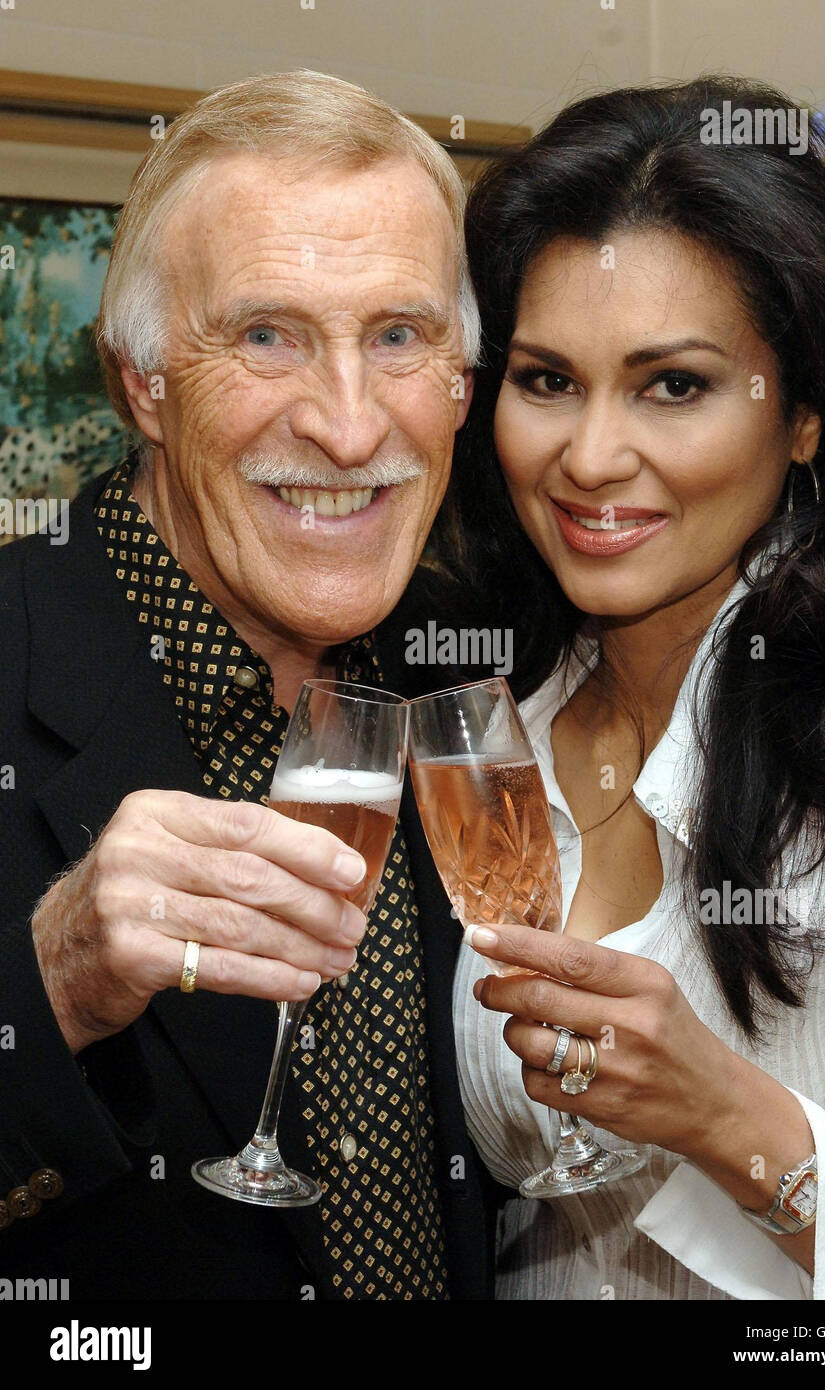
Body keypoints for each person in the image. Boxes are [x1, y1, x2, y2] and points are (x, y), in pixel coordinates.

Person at [0, 68, 496, 1301]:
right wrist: (51, 983)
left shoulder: (486, 675)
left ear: (462, 388)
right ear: (140, 385)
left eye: (399, 337)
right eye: (267, 335)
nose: (346, 424)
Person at [440, 75, 825, 1299]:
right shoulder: (488, 726)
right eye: (546, 378)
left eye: (674, 385)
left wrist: (732, 1120)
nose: (592, 458)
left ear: (803, 413)